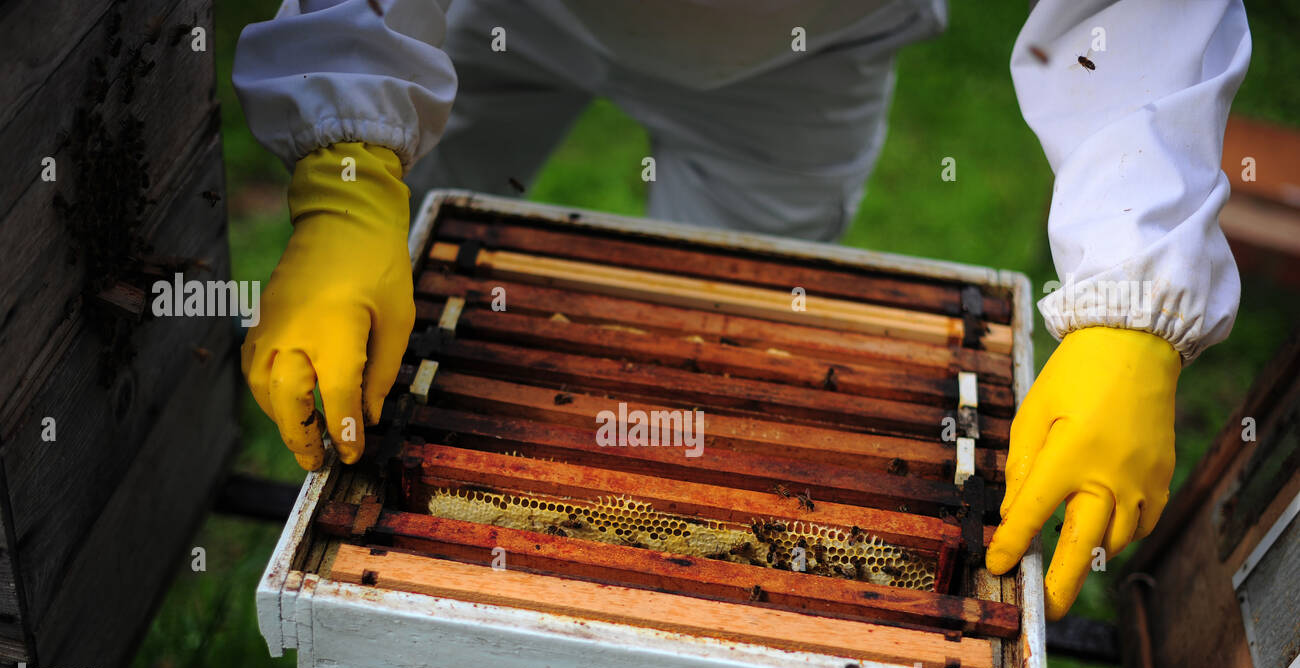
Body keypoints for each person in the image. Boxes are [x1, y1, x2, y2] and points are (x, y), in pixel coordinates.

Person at [232, 0, 1251, 620]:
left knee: (736, 371)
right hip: (492, 14)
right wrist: (349, 167)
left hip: (808, 49)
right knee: (407, 344)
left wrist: (1134, 296)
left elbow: (1139, 9)